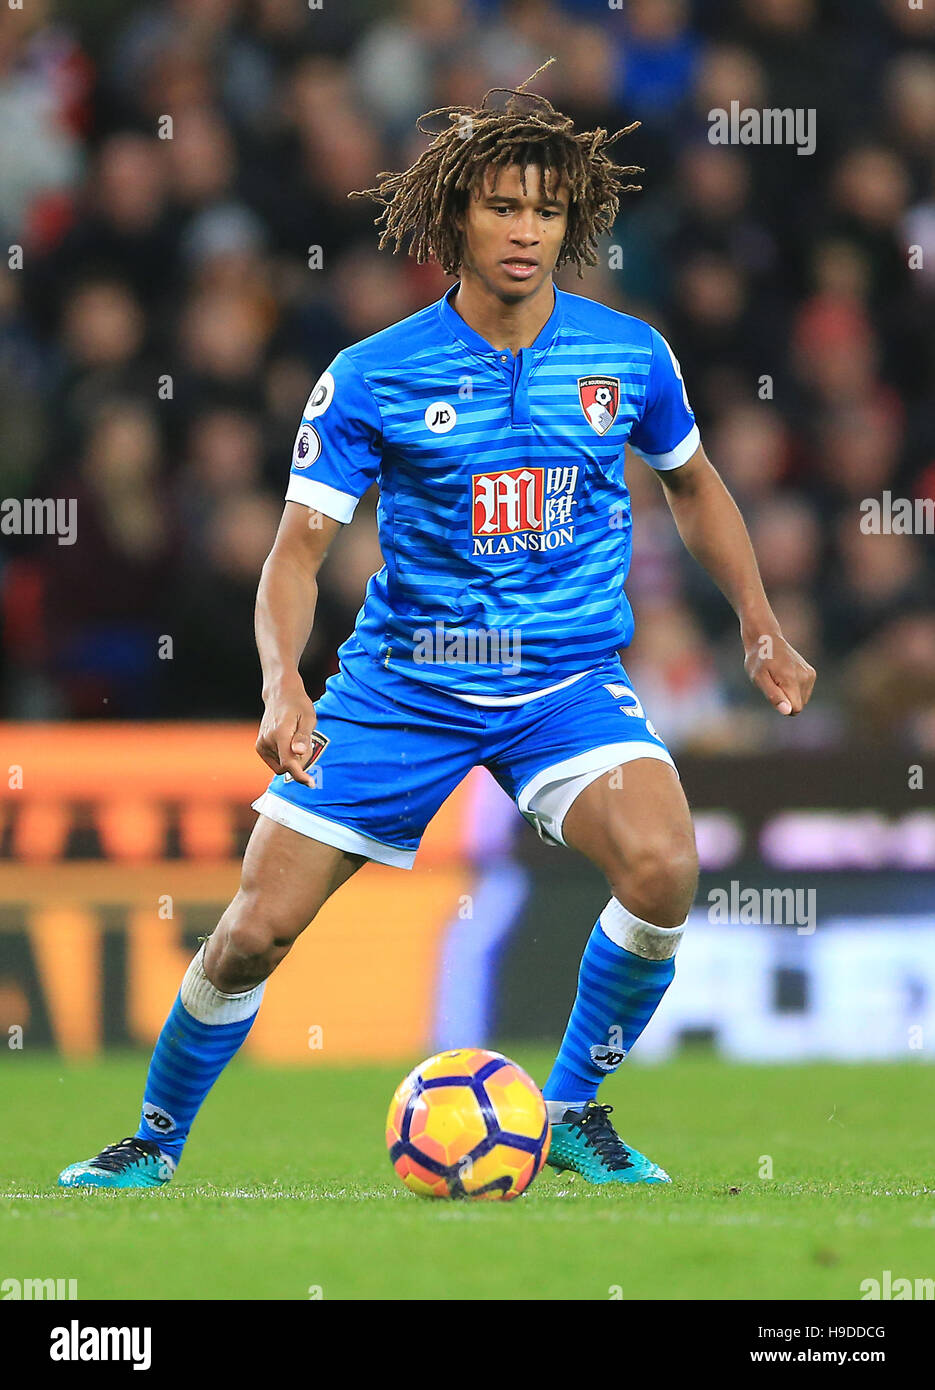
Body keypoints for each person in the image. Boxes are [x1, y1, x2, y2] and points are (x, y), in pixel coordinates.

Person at [59, 64, 815, 1191]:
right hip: (404, 686)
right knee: (256, 927)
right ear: (455, 214)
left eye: (545, 210)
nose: (525, 230)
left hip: (562, 679)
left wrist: (755, 619)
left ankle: (566, 1109)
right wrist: (283, 683)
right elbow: (296, 553)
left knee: (661, 868)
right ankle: (152, 1143)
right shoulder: (374, 374)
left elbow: (694, 486)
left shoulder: (626, 355)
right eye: (502, 206)